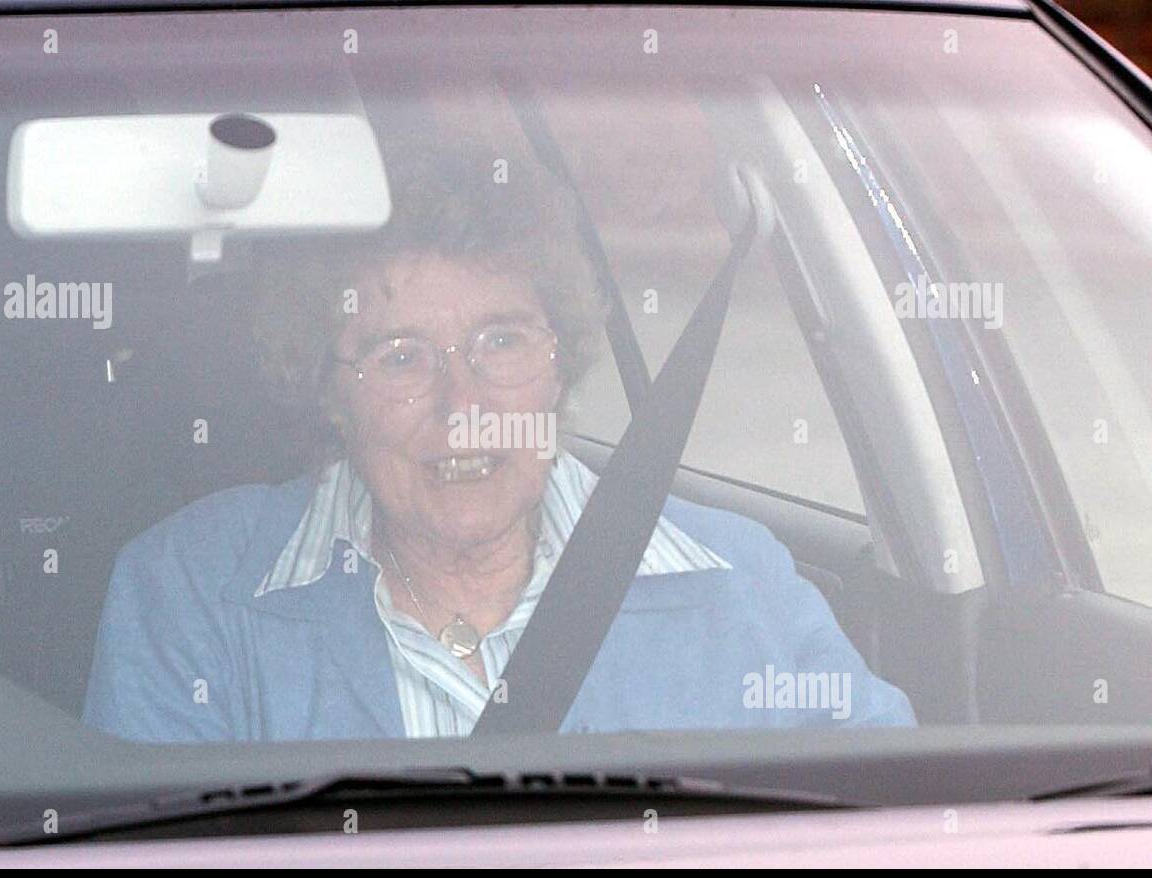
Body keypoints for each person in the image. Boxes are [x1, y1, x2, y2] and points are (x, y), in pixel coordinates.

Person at [82, 140, 915, 741]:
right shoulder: (191, 593)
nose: (463, 407)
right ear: (331, 393)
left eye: (503, 342)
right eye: (401, 356)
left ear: (561, 362)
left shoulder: (740, 588)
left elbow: (898, 833)